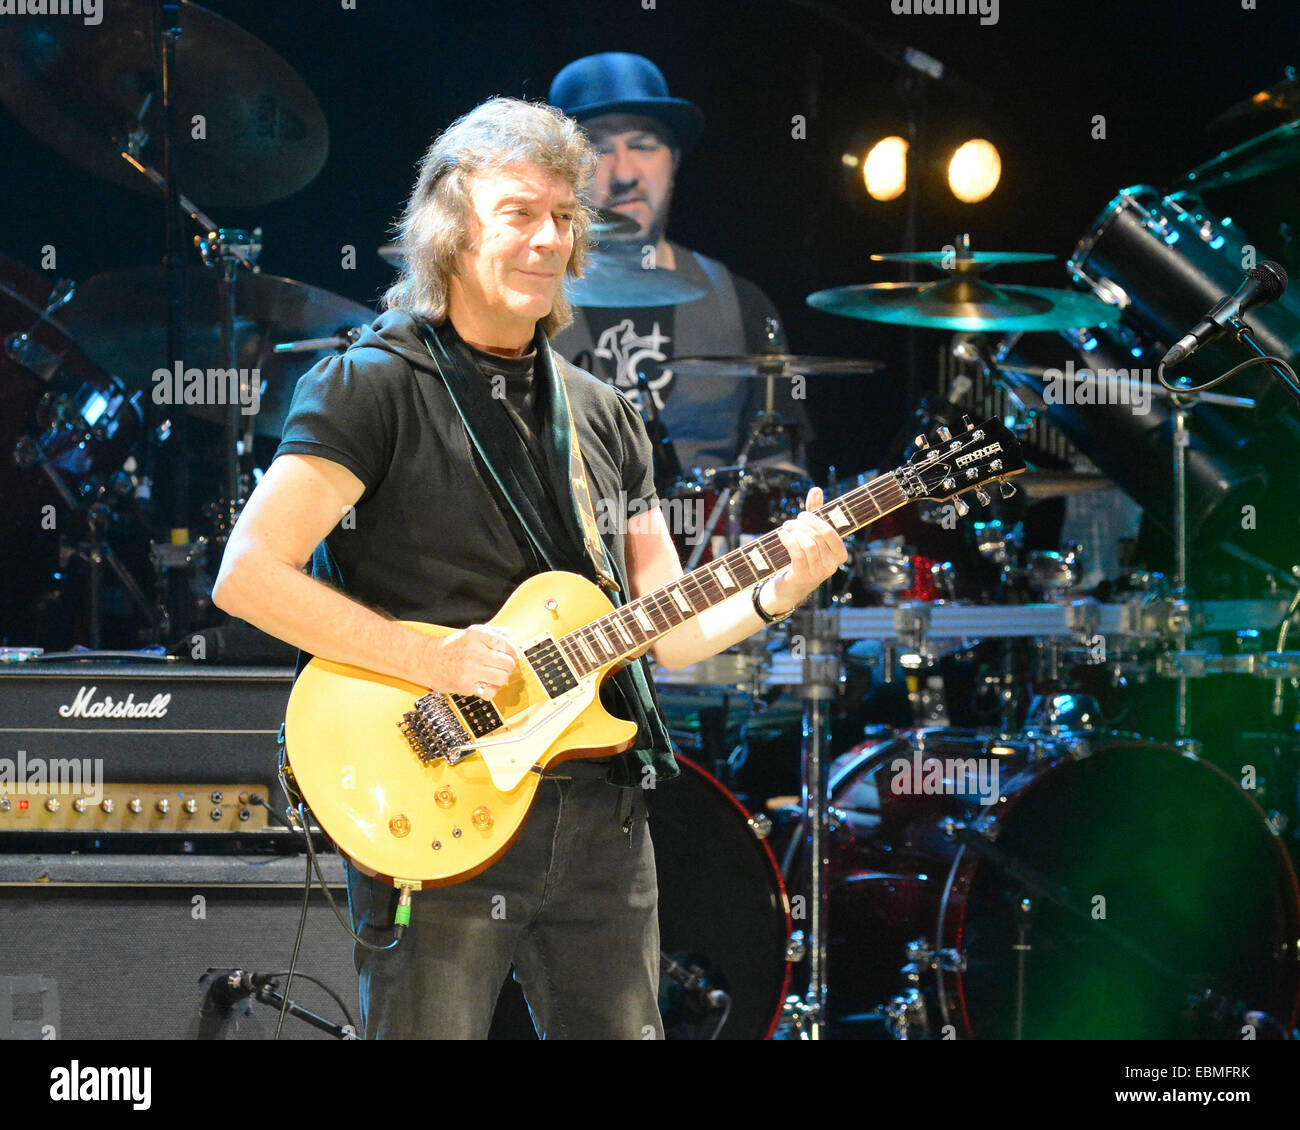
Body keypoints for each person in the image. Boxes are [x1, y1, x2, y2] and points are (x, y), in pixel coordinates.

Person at [211, 97, 847, 1040]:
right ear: (448, 228)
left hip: (598, 813)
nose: (548, 239)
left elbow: (668, 632)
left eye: (564, 216)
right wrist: (431, 662)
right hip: (437, 797)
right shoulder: (370, 384)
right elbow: (248, 576)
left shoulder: (600, 411)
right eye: (518, 213)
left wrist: (780, 585)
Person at [548, 52, 813, 477]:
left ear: (673, 160)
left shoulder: (741, 302)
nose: (625, 174)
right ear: (559, 177)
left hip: (715, 542)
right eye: (597, 150)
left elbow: (779, 473)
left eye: (643, 145)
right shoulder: (523, 301)